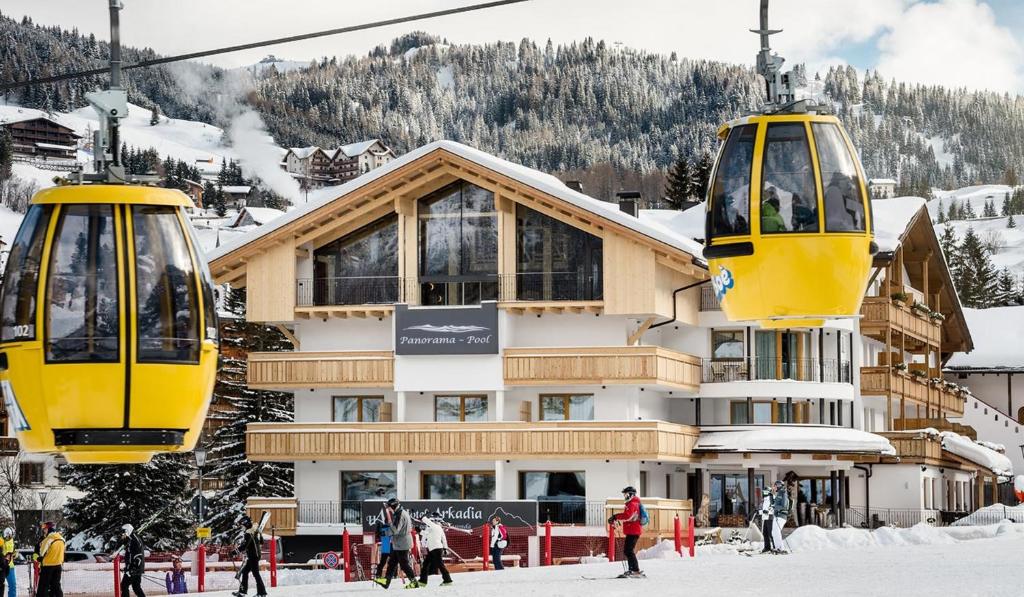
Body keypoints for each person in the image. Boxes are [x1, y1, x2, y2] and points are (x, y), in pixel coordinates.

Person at [373, 498, 420, 589]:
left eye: (389, 507)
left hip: (402, 543)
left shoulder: (399, 515)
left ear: (393, 506)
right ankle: (386, 581)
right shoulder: (400, 512)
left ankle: (414, 582)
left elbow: (395, 530)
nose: (389, 509)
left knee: (404, 564)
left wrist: (383, 533)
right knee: (392, 563)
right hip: (399, 543)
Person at [608, 486, 644, 578]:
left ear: (631, 494)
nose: (625, 496)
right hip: (632, 530)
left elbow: (628, 516)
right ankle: (632, 569)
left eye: (626, 494)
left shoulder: (633, 503)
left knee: (628, 550)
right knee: (628, 550)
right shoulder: (632, 503)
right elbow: (629, 517)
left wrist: (615, 516)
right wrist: (617, 518)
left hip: (634, 531)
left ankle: (635, 570)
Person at [233, 516, 267, 597]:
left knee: (256, 574)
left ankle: (262, 593)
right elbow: (261, 542)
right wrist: (259, 534)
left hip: (253, 556)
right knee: (245, 572)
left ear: (246, 524)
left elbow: (245, 546)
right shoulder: (255, 531)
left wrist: (234, 551)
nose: (242, 527)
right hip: (254, 555)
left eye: (242, 525)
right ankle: (242, 592)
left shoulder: (249, 533)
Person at [417, 512, 452, 587]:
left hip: (435, 549)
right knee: (426, 565)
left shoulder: (433, 526)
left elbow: (426, 520)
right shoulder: (436, 528)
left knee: (440, 565)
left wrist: (422, 517)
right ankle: (422, 581)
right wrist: (419, 531)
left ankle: (448, 580)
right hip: (434, 549)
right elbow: (427, 534)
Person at [36, 522, 64, 597]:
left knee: (44, 586)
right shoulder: (61, 538)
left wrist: (39, 558)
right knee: (56, 585)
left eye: (45, 529)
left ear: (49, 529)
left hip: (48, 566)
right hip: (58, 565)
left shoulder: (48, 539)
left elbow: (41, 552)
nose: (44, 531)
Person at [120, 524, 147, 597]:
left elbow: (138, 555)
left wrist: (134, 568)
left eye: (123, 532)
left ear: (127, 530)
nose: (122, 534)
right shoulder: (131, 539)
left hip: (134, 569)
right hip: (133, 568)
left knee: (124, 585)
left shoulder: (135, 540)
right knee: (136, 587)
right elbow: (129, 554)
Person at [771, 480, 790, 553]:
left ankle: (781, 548)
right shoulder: (779, 493)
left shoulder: (783, 493)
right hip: (777, 516)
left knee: (777, 531)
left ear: (779, 485)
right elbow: (774, 504)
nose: (774, 487)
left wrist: (774, 507)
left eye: (775, 485)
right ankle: (777, 547)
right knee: (774, 532)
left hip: (781, 515)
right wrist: (770, 495)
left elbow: (783, 506)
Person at [759, 487, 775, 554]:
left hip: (770, 518)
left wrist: (768, 511)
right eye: (763, 491)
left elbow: (774, 508)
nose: (764, 493)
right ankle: (767, 547)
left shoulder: (772, 498)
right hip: (765, 518)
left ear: (769, 492)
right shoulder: (764, 499)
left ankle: (775, 547)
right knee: (765, 533)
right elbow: (763, 509)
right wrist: (760, 511)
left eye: (766, 492)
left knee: (771, 534)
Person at [0, 527, 13, 597]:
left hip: (10, 566)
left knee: (12, 585)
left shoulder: (11, 540)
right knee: (1, 584)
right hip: (2, 565)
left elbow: (12, 550)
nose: (9, 537)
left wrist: (14, 554)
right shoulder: (0, 540)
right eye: (8, 536)